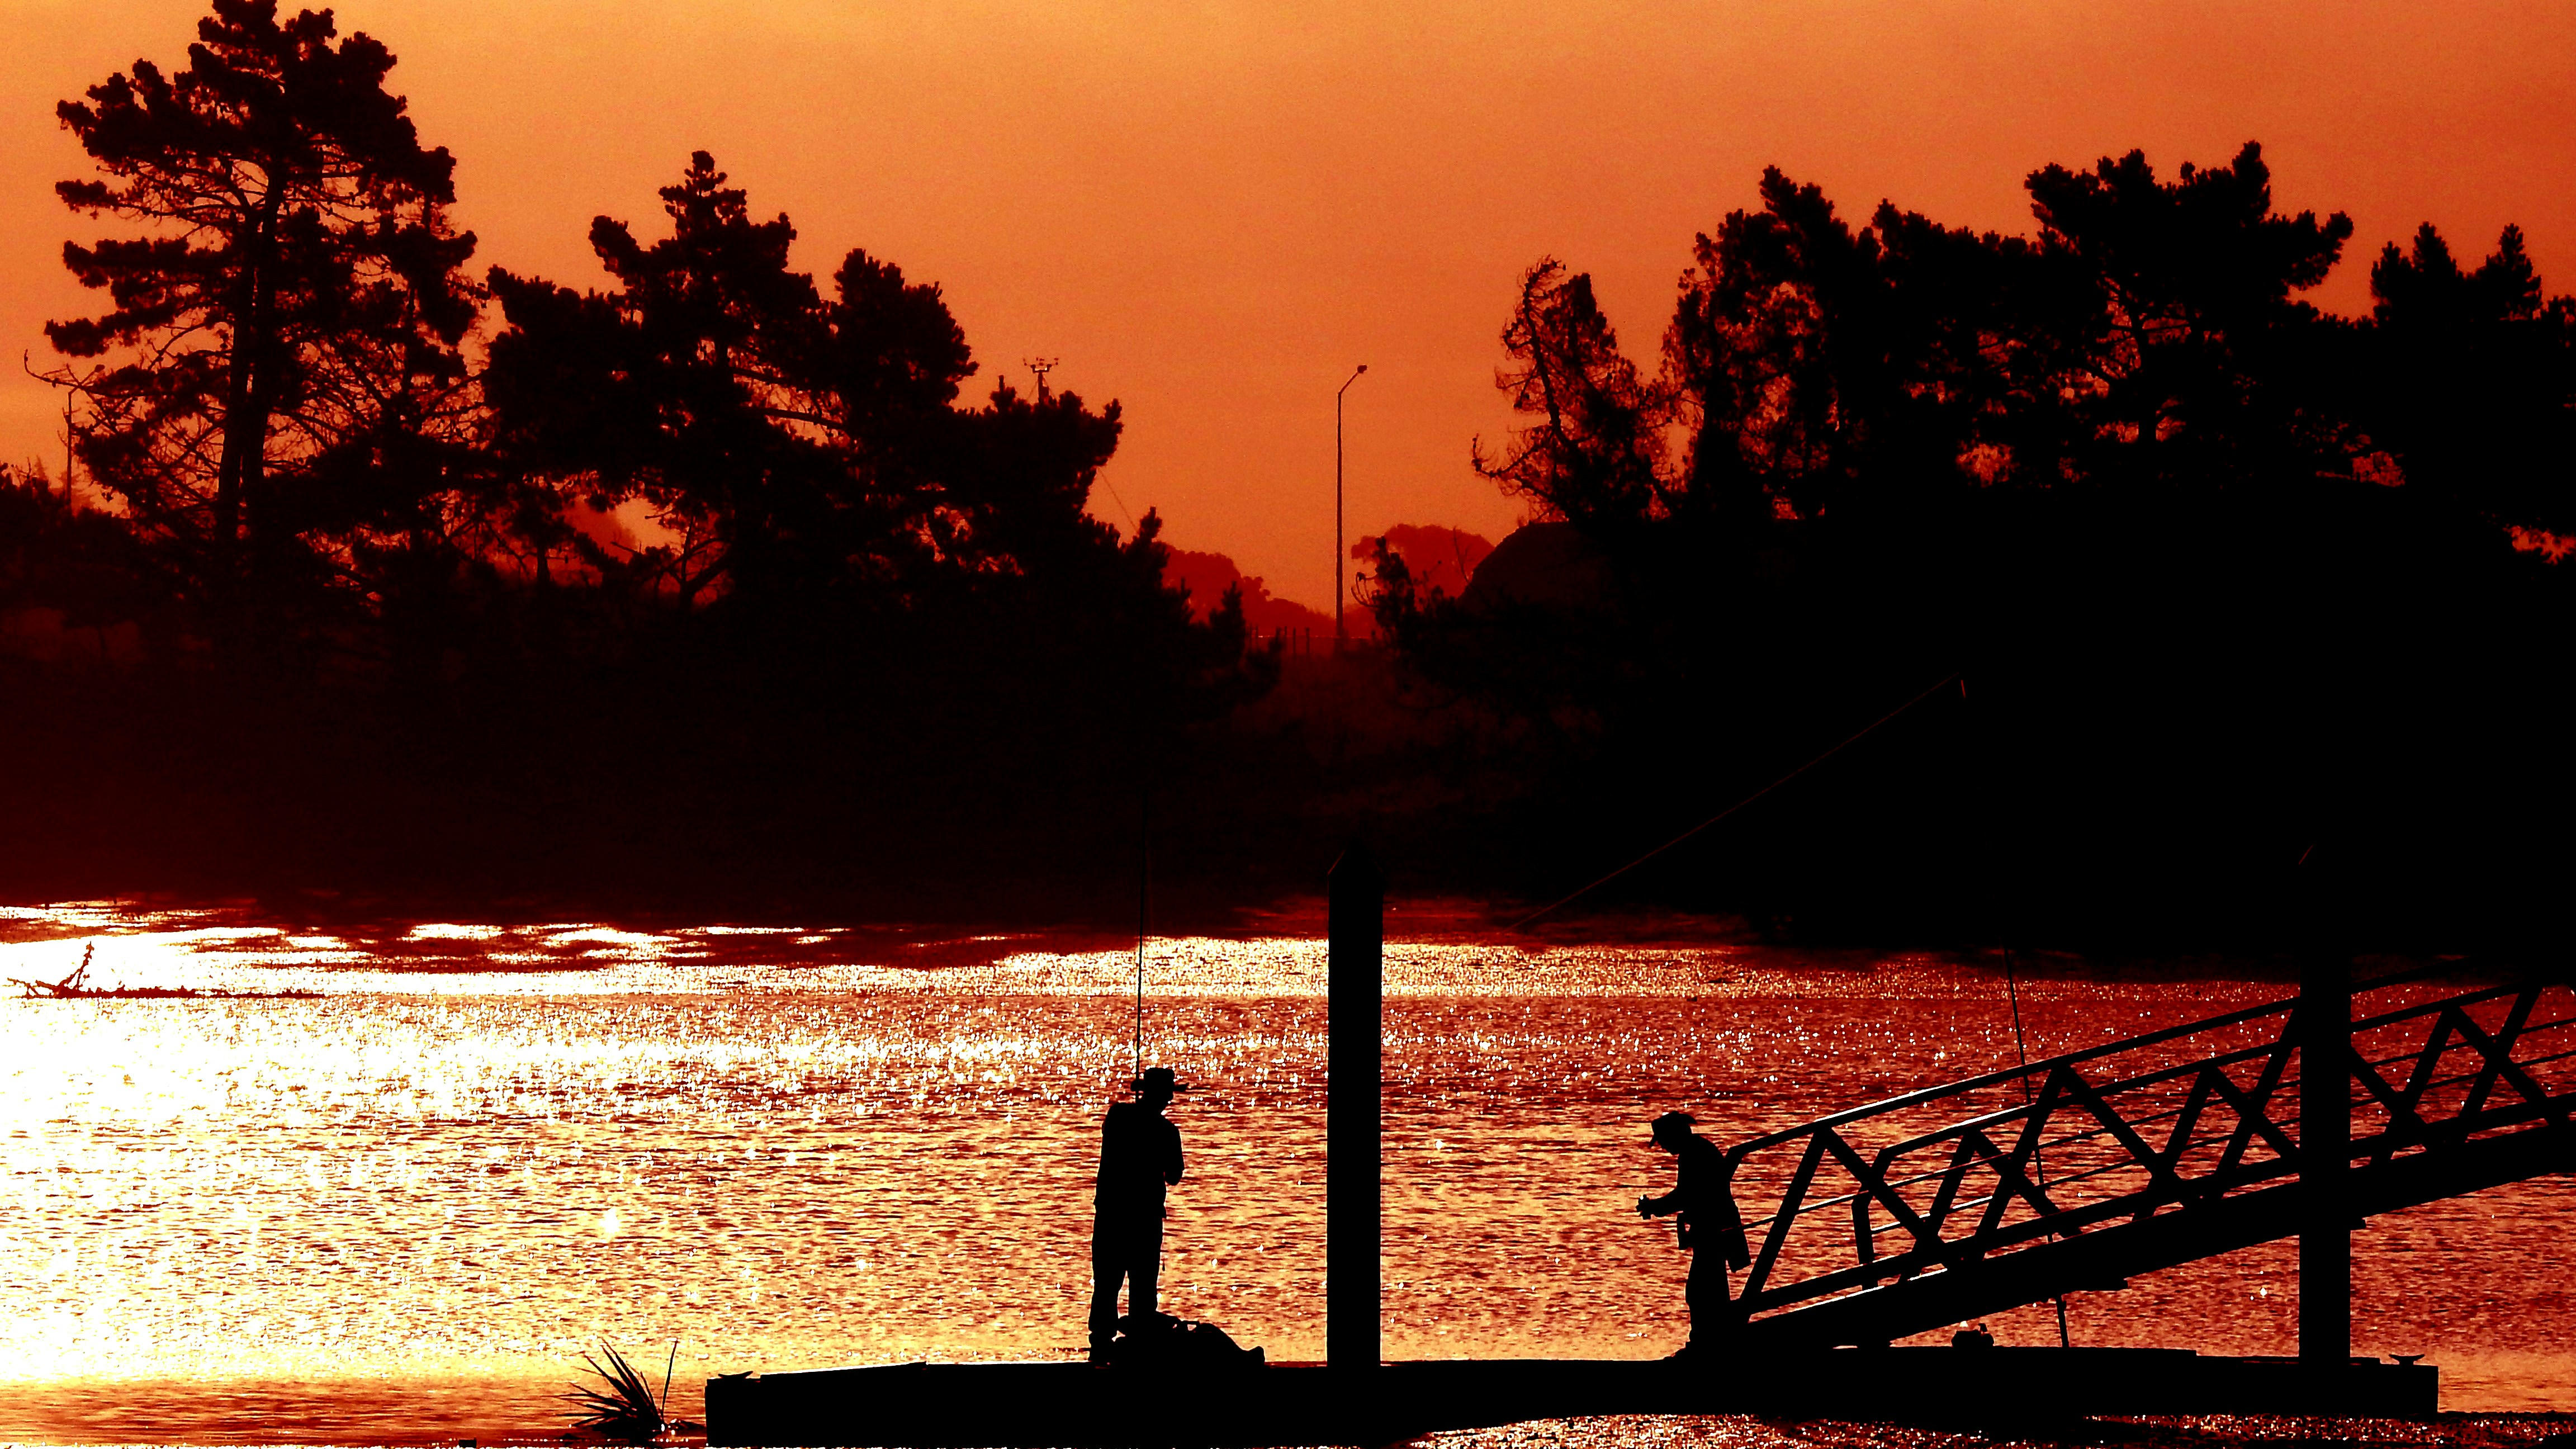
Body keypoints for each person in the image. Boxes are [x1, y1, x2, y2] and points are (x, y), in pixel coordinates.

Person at [1088, 1065, 1186, 1361]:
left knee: (1107, 1284)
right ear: (1166, 1097)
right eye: (1167, 1095)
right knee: (1142, 1288)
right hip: (1143, 1221)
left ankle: (1100, 1347)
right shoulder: (1167, 1132)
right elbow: (1174, 1176)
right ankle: (1138, 1351)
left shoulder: (1118, 1117)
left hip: (1112, 1216)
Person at [1637, 1110, 1750, 1357]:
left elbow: (1686, 1195)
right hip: (1715, 1227)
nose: (1664, 1147)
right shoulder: (1701, 1149)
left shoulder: (1692, 1154)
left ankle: (1704, 1344)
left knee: (1700, 1290)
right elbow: (1694, 1194)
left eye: (1664, 1141)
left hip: (1713, 1230)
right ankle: (1714, 1341)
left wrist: (1655, 1206)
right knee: (1711, 1287)